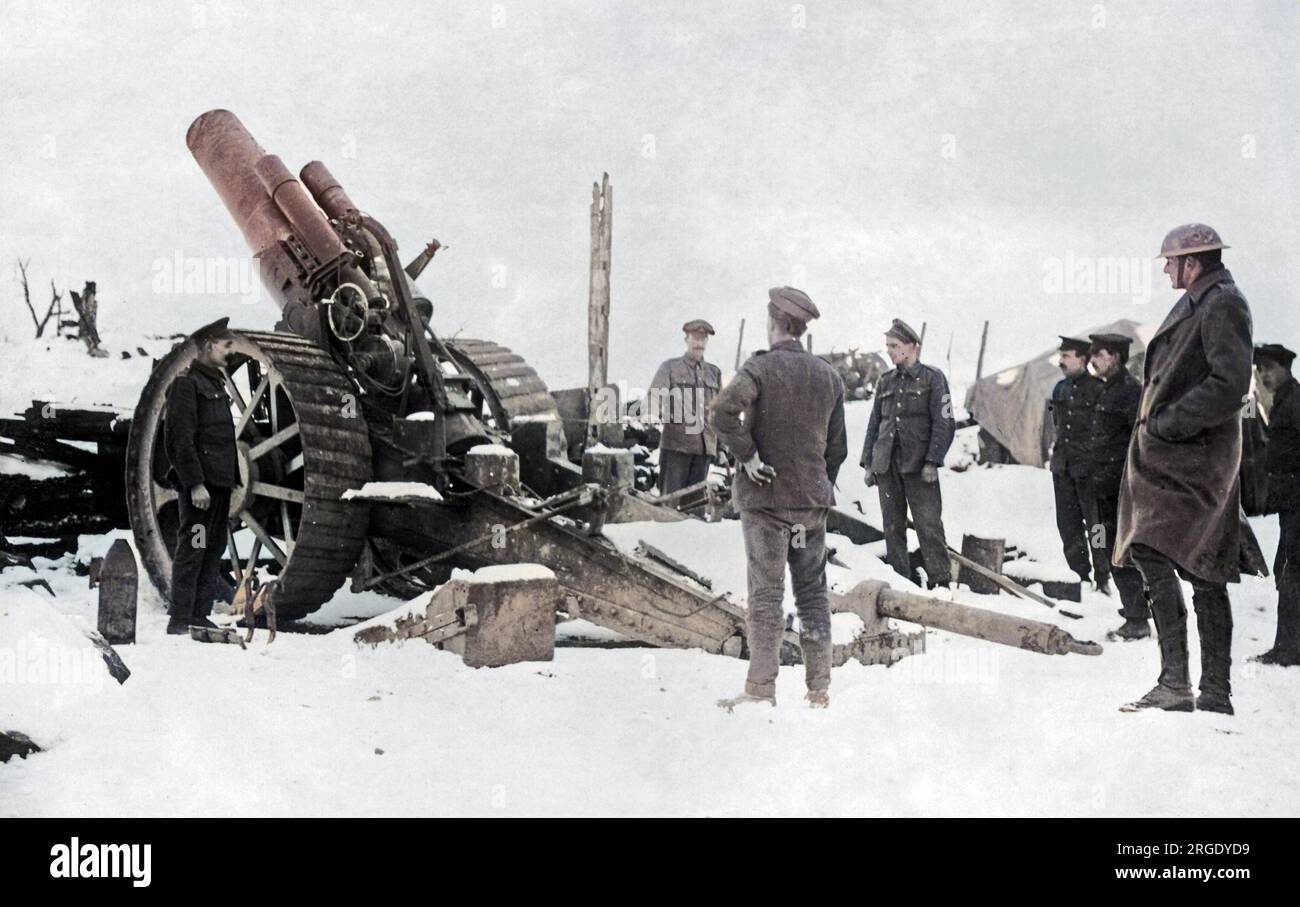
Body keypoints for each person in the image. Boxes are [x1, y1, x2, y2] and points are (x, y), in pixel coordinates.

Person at [1114, 224, 1253, 714]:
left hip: (1194, 460)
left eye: (1171, 263)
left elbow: (1230, 383)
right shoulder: (1204, 301)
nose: (1167, 271)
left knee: (1162, 552)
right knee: (1198, 564)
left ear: (1192, 262)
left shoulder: (1222, 302)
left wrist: (1168, 423)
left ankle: (1181, 684)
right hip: (1186, 459)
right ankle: (1210, 690)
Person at [709, 287, 847, 709]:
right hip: (809, 512)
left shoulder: (760, 368)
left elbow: (721, 412)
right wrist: (814, 487)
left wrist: (748, 457)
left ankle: (761, 689)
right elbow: (837, 450)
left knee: (767, 595)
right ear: (801, 329)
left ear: (773, 323)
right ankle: (819, 689)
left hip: (766, 507)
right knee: (813, 595)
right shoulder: (828, 376)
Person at [860, 318, 955, 588]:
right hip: (887, 466)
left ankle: (940, 583)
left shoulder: (934, 378)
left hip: (919, 467)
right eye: (888, 346)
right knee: (892, 527)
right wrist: (868, 463)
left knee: (928, 526)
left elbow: (945, 423)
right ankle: (900, 582)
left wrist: (932, 461)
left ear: (913, 346)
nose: (889, 351)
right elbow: (875, 423)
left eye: (894, 345)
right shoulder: (885, 381)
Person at [164, 318, 240, 636]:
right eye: (226, 345)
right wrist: (195, 483)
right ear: (208, 346)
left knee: (212, 549)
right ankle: (180, 618)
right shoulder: (187, 385)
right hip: (201, 489)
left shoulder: (214, 385)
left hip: (218, 487)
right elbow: (180, 439)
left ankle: (199, 614)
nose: (230, 351)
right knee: (193, 548)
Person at [1084, 333, 1149, 640]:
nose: (1093, 360)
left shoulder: (1130, 391)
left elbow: (1137, 442)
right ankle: (1135, 608)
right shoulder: (1107, 388)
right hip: (1105, 485)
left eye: (1100, 354)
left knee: (1122, 552)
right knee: (1112, 548)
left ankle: (1137, 620)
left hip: (1120, 488)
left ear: (1117, 357)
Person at [1250, 343, 1300, 666]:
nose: (1264, 375)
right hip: (1290, 504)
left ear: (1285, 368)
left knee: (1291, 573)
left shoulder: (1294, 402)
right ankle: (1287, 646)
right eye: (1260, 369)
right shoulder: (1283, 400)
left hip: (1297, 504)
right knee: (1288, 571)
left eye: (1268, 368)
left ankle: (1289, 650)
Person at [1049, 336, 1105, 589]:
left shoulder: (1098, 389)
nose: (1061, 361)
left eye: (1066, 356)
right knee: (1068, 525)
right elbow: (1057, 424)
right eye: (1061, 356)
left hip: (1089, 470)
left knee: (1097, 526)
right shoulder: (1059, 389)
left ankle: (1103, 576)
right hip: (1063, 468)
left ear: (1082, 359)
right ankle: (1079, 576)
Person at [647, 319, 723, 494]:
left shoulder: (714, 373)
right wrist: (652, 413)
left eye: (703, 339)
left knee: (696, 504)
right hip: (676, 448)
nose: (699, 343)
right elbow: (655, 396)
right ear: (686, 339)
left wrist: (722, 449)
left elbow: (720, 413)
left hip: (704, 449)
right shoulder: (670, 367)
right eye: (695, 338)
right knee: (670, 503)